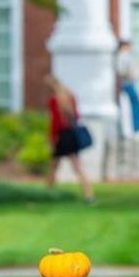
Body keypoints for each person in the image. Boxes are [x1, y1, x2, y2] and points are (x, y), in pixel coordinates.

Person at [45, 74, 95, 204]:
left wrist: (52, 138)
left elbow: (55, 122)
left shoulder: (54, 100)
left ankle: (47, 194)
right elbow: (77, 116)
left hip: (62, 136)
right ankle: (88, 194)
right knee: (78, 167)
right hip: (71, 135)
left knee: (53, 167)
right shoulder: (70, 97)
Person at [115, 39, 139, 135]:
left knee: (136, 104)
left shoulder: (122, 56)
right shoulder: (123, 56)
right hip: (127, 84)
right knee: (136, 104)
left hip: (127, 83)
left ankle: (138, 128)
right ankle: (138, 128)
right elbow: (122, 72)